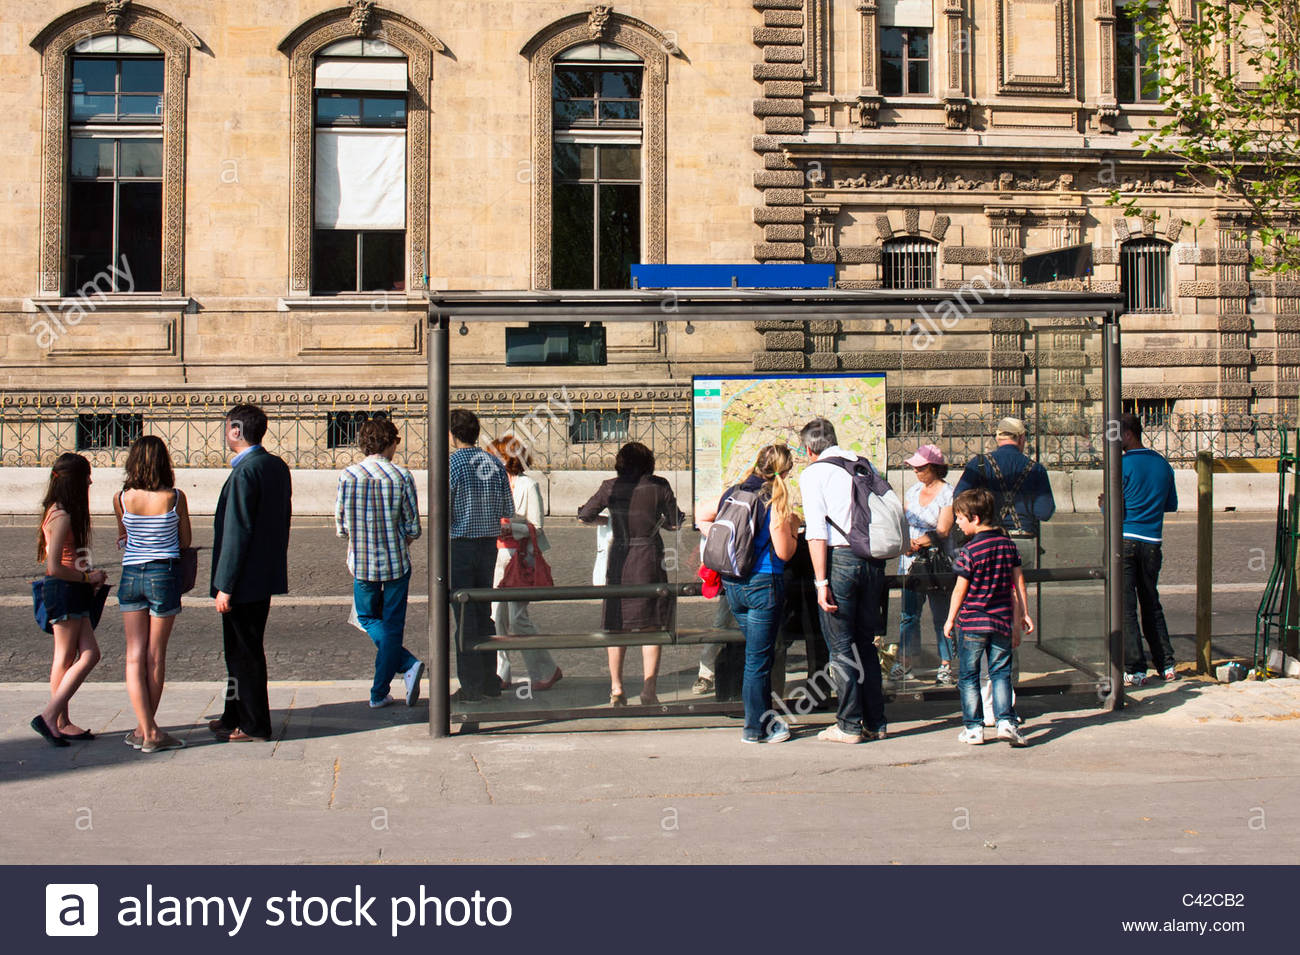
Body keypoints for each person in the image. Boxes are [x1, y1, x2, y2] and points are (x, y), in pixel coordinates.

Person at [697, 445, 802, 743]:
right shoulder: (774, 500)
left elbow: (701, 515)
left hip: (733, 585)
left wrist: (725, 538)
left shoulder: (735, 491)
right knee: (758, 660)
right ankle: (756, 728)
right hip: (763, 584)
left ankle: (762, 720)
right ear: (785, 471)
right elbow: (784, 552)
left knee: (756, 657)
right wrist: (793, 530)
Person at [798, 417, 889, 743]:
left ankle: (849, 724)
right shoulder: (863, 464)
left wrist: (821, 583)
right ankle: (876, 722)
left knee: (841, 649)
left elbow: (817, 533)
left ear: (809, 448)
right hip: (873, 560)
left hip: (841, 562)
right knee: (866, 644)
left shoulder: (814, 474)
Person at [209, 404, 292, 742]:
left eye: (227, 427)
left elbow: (237, 530)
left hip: (243, 579)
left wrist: (225, 585)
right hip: (263, 573)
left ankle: (254, 723)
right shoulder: (275, 465)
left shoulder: (246, 472)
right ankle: (233, 714)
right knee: (238, 652)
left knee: (244, 654)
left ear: (236, 431)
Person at [578, 441, 684, 706]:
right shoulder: (660, 486)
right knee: (652, 624)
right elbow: (675, 522)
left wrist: (607, 520)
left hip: (620, 557)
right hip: (649, 556)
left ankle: (617, 688)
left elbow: (585, 514)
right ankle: (649, 690)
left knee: (616, 624)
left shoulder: (609, 486)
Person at [335, 417, 424, 709]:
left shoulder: (348, 476)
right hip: (396, 561)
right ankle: (398, 672)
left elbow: (342, 526)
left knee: (367, 618)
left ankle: (386, 686)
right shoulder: (402, 476)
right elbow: (413, 527)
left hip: (362, 562)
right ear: (389, 443)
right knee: (393, 625)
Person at [114, 436, 191, 753]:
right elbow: (184, 541)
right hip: (163, 573)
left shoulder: (121, 497)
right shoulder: (174, 497)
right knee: (155, 656)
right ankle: (150, 733)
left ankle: (142, 728)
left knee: (134, 655)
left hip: (130, 574)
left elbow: (123, 537)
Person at [943, 488, 1034, 746]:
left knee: (969, 675)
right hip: (1002, 621)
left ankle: (973, 727)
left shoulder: (970, 551)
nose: (958, 524)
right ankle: (1006, 721)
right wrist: (1024, 614)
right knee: (1000, 673)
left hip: (973, 622)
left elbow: (960, 589)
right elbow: (1019, 583)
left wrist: (950, 619)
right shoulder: (1008, 546)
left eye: (960, 518)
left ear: (975, 518)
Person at [30, 452, 104, 747]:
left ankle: (59, 720)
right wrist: (87, 578)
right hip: (64, 589)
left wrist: (88, 577)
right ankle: (51, 717)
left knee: (87, 654)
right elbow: (54, 567)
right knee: (68, 656)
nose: (90, 480)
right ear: (74, 480)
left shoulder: (56, 510)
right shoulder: (61, 515)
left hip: (71, 589)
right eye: (86, 476)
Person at [449, 408, 514, 702]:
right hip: (488, 544)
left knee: (464, 617)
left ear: (452, 435)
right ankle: (490, 678)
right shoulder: (493, 462)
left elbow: (444, 508)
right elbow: (507, 510)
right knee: (483, 613)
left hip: (461, 544)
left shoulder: (452, 465)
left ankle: (472, 684)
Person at [488, 435, 562, 693]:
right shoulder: (494, 485)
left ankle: (546, 670)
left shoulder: (528, 485)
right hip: (497, 557)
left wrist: (510, 529)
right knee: (496, 617)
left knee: (518, 619)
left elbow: (537, 526)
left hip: (520, 557)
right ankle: (501, 673)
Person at [1117, 412, 1179, 686]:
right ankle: (1166, 663)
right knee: (1151, 603)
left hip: (1126, 537)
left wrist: (1104, 502)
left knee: (1127, 606)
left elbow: (1115, 509)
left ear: (1128, 434)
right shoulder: (1163, 464)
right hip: (1153, 541)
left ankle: (1135, 667)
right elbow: (1171, 504)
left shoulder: (1121, 465)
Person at [897, 444, 956, 686]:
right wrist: (905, 542)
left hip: (935, 562)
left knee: (941, 614)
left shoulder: (947, 493)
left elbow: (943, 529)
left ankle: (946, 663)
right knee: (908, 614)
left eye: (921, 468)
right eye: (914, 468)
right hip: (911, 562)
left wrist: (919, 542)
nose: (916, 472)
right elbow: (903, 518)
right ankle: (906, 661)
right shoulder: (912, 491)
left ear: (934, 468)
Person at [953, 416, 1055, 542]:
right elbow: (1044, 512)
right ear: (1021, 438)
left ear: (997, 437)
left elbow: (959, 498)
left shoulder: (979, 464)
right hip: (1023, 537)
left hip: (987, 540)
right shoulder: (1036, 469)